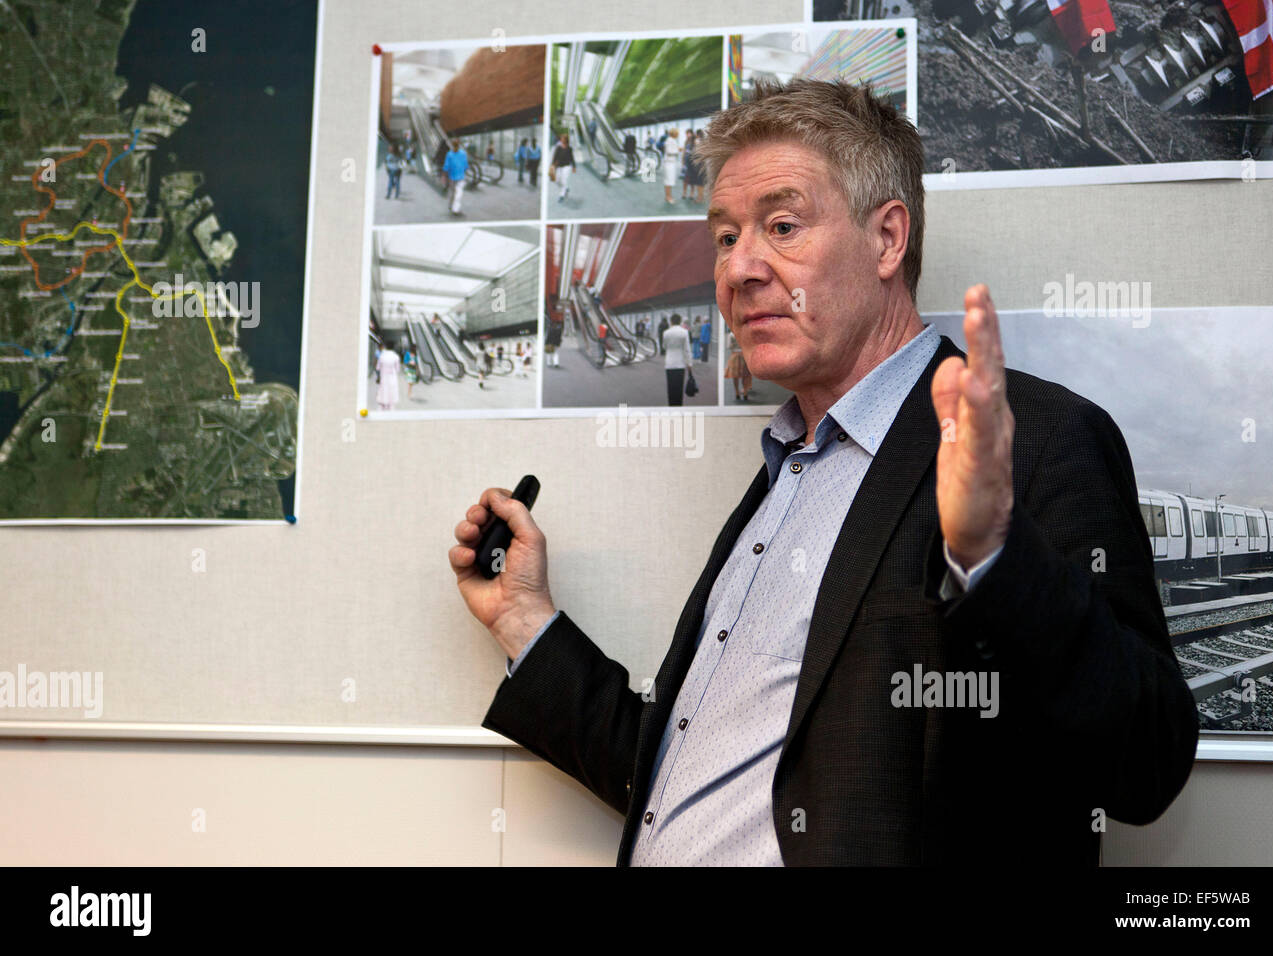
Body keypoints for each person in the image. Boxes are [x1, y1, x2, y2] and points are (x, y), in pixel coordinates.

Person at [450, 78, 1199, 867]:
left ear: (887, 240)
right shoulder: (781, 477)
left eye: (781, 225)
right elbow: (684, 782)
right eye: (726, 237)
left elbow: (1146, 762)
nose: (739, 269)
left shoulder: (1039, 437)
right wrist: (523, 622)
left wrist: (997, 558)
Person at [659, 312, 693, 406]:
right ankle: (679, 406)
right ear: (680, 321)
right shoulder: (684, 332)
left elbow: (664, 346)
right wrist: (689, 364)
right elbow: (687, 350)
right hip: (680, 363)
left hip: (669, 363)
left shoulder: (666, 333)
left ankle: (671, 407)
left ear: (671, 321)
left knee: (671, 387)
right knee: (679, 388)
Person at [443, 138, 469, 216]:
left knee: (457, 193)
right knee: (456, 193)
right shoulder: (463, 154)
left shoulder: (449, 154)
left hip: (453, 177)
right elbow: (466, 165)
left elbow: (446, 166)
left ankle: (455, 209)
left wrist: (444, 175)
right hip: (459, 176)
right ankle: (453, 207)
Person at [724, 329, 751, 402]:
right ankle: (745, 393)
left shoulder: (731, 334)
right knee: (745, 375)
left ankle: (737, 393)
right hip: (744, 356)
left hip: (735, 355)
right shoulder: (745, 333)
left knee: (735, 376)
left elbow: (729, 346)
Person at [374, 340, 401, 410]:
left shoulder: (382, 356)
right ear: (393, 347)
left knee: (383, 390)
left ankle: (383, 404)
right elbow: (397, 369)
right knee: (391, 390)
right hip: (392, 376)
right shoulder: (396, 357)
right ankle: (390, 405)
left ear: (386, 347)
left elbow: (378, 368)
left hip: (383, 376)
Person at [550, 132, 575, 202]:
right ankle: (566, 188)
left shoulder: (569, 148)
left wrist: (574, 166)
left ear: (566, 140)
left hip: (566, 167)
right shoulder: (558, 147)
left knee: (564, 180)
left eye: (563, 139)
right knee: (557, 180)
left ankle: (561, 195)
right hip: (558, 166)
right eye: (561, 139)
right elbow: (554, 157)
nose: (561, 140)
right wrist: (552, 165)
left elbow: (572, 158)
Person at [661, 128, 681, 205]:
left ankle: (668, 196)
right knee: (668, 180)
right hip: (669, 163)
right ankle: (668, 197)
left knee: (669, 180)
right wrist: (678, 150)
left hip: (670, 162)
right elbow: (669, 151)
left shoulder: (670, 140)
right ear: (675, 134)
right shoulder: (670, 141)